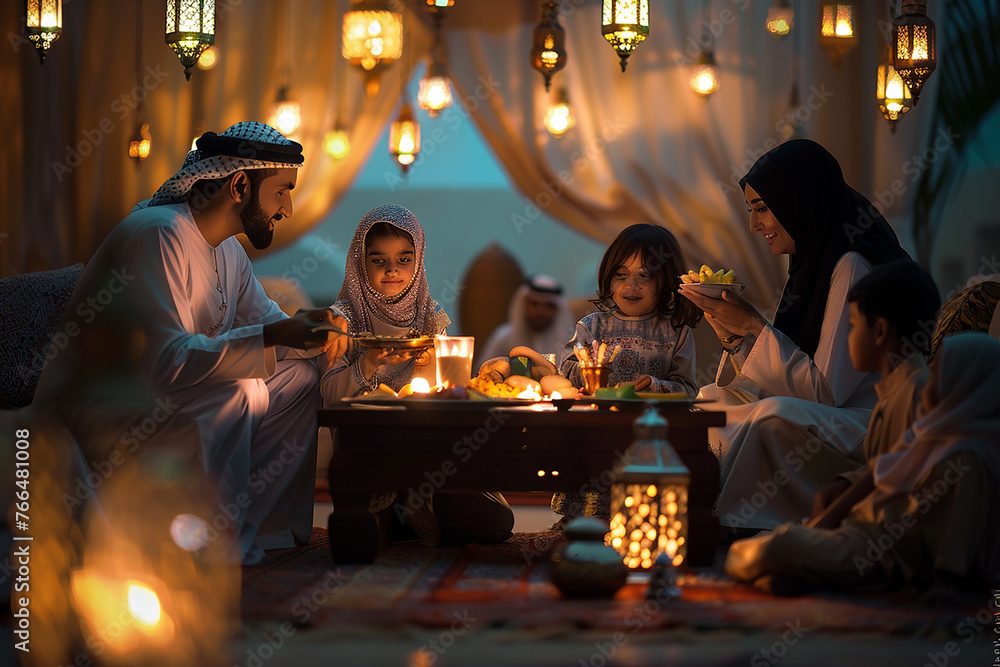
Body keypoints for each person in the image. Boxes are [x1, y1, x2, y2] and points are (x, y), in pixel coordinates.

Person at [38, 122, 350, 565]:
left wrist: (320, 333)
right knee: (241, 389)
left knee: (298, 378)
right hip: (108, 408)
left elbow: (271, 330)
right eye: (282, 191)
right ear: (240, 184)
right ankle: (211, 549)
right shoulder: (158, 233)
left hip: (170, 397)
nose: (289, 209)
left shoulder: (228, 251)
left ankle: (267, 529)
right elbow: (162, 363)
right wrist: (275, 334)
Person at [680, 139, 909, 533]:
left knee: (772, 415)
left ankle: (748, 522)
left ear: (799, 201)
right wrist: (732, 336)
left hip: (869, 416)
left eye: (762, 210)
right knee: (712, 402)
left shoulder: (851, 264)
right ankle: (699, 511)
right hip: (830, 408)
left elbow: (827, 390)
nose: (755, 225)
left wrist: (752, 325)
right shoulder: (814, 259)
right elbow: (794, 364)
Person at [725, 333, 1000, 601]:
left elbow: (961, 525)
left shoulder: (966, 455)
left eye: (939, 375)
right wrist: (845, 486)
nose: (929, 381)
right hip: (863, 531)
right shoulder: (932, 437)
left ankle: (794, 574)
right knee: (771, 541)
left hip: (884, 551)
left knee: (772, 549)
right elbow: (885, 469)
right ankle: (795, 576)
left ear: (966, 386)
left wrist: (946, 582)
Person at [319, 204, 514, 546]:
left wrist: (426, 365)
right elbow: (330, 397)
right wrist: (370, 363)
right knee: (361, 539)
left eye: (404, 259)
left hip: (426, 450)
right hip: (367, 453)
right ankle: (409, 518)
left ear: (418, 260)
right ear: (359, 262)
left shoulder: (430, 317)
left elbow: (448, 392)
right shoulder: (343, 320)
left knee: (498, 522)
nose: (392, 270)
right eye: (378, 260)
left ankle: (424, 511)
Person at [551, 223, 702, 522]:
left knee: (644, 518)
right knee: (587, 517)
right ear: (608, 276)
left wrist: (657, 386)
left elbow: (688, 388)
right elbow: (564, 371)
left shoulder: (675, 332)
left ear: (667, 279)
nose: (631, 286)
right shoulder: (592, 326)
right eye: (621, 275)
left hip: (653, 439)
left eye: (645, 276)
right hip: (596, 436)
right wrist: (592, 372)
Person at [811, 259, 940, 523]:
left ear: (880, 330)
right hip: (870, 528)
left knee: (769, 550)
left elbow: (891, 481)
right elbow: (880, 467)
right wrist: (845, 485)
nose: (848, 337)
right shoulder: (894, 389)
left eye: (853, 325)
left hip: (889, 537)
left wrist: (826, 523)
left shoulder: (917, 394)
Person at [475, 274, 576, 370]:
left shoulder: (568, 342)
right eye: (534, 304)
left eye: (549, 306)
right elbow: (482, 371)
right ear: (524, 304)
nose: (540, 311)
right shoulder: (503, 337)